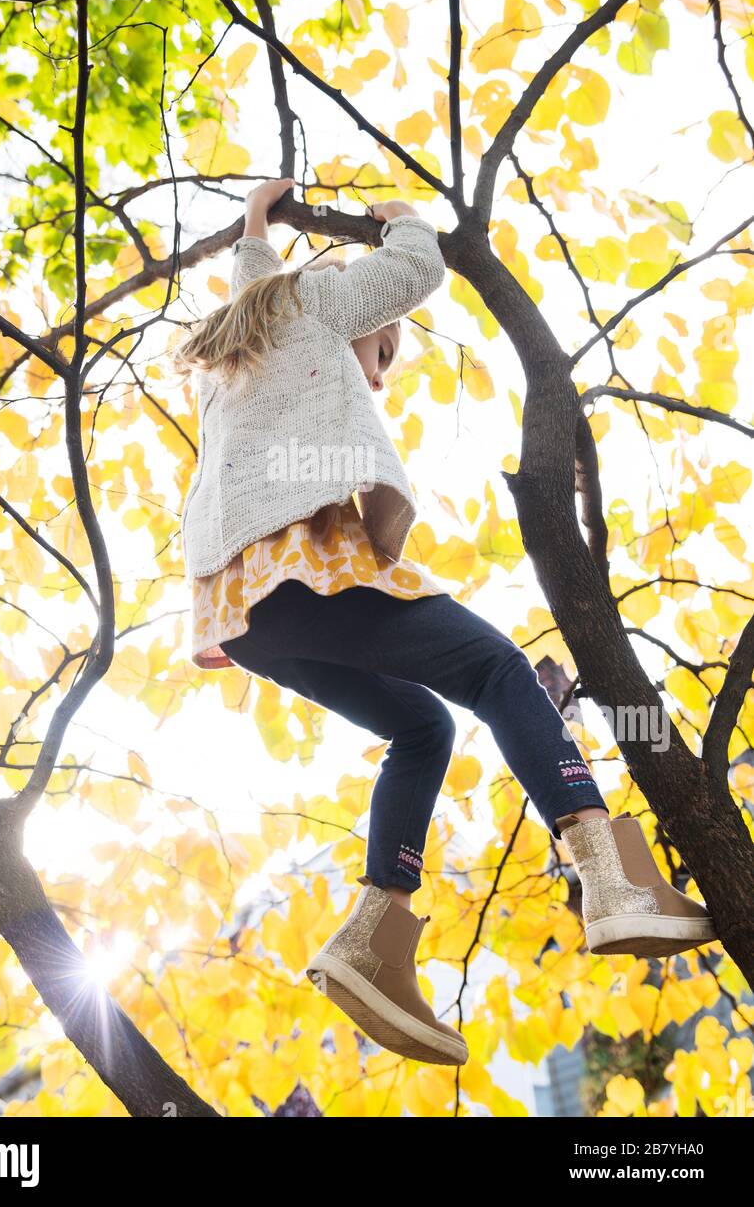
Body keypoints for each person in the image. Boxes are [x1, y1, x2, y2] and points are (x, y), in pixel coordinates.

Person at [174, 177, 716, 1068]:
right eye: (380, 356)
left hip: (243, 611)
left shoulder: (246, 336)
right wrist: (408, 226)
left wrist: (256, 223)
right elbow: (410, 278)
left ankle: (371, 942)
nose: (378, 378)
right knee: (500, 672)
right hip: (305, 572)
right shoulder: (319, 298)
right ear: (349, 319)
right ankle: (608, 876)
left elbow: (251, 275)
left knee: (421, 729)